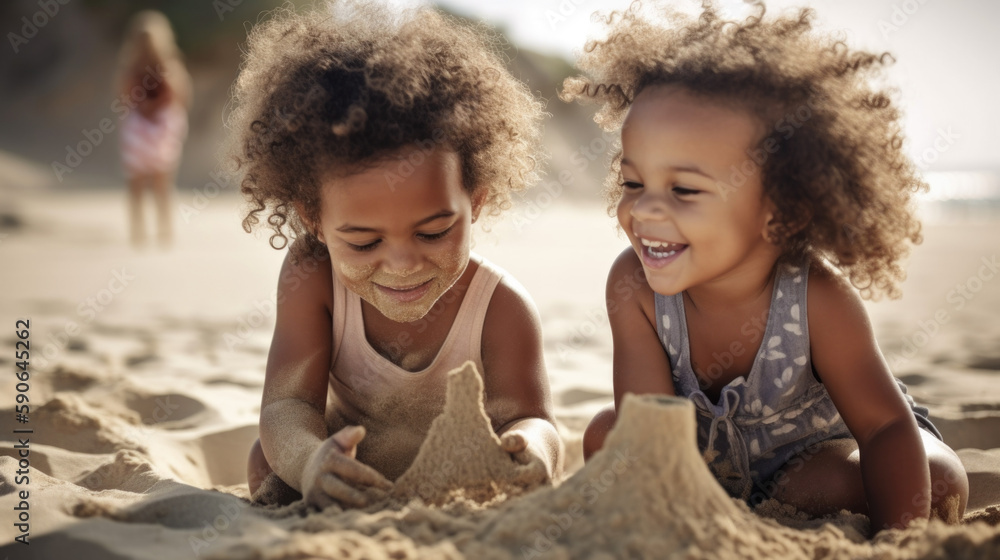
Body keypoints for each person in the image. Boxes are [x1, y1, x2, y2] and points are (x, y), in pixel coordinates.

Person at [563, 0, 968, 533]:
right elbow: (647, 430)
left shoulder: (816, 295)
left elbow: (885, 428)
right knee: (607, 433)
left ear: (781, 211)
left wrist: (902, 538)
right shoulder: (634, 285)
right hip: (709, 462)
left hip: (825, 451)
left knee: (934, 478)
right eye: (633, 182)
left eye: (683, 189)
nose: (642, 210)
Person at [228, 1, 562, 508]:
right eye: (364, 242)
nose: (403, 263)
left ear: (475, 201)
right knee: (265, 460)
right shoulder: (313, 275)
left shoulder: (500, 309)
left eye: (434, 232)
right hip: (349, 475)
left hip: (458, 487)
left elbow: (531, 419)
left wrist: (532, 449)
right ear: (314, 218)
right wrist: (312, 460)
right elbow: (288, 403)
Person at [116, 10, 190, 248]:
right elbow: (124, 95)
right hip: (139, 127)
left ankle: (164, 232)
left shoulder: (169, 65)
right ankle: (138, 233)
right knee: (136, 182)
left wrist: (159, 113)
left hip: (160, 128)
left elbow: (180, 94)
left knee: (161, 182)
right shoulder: (131, 68)